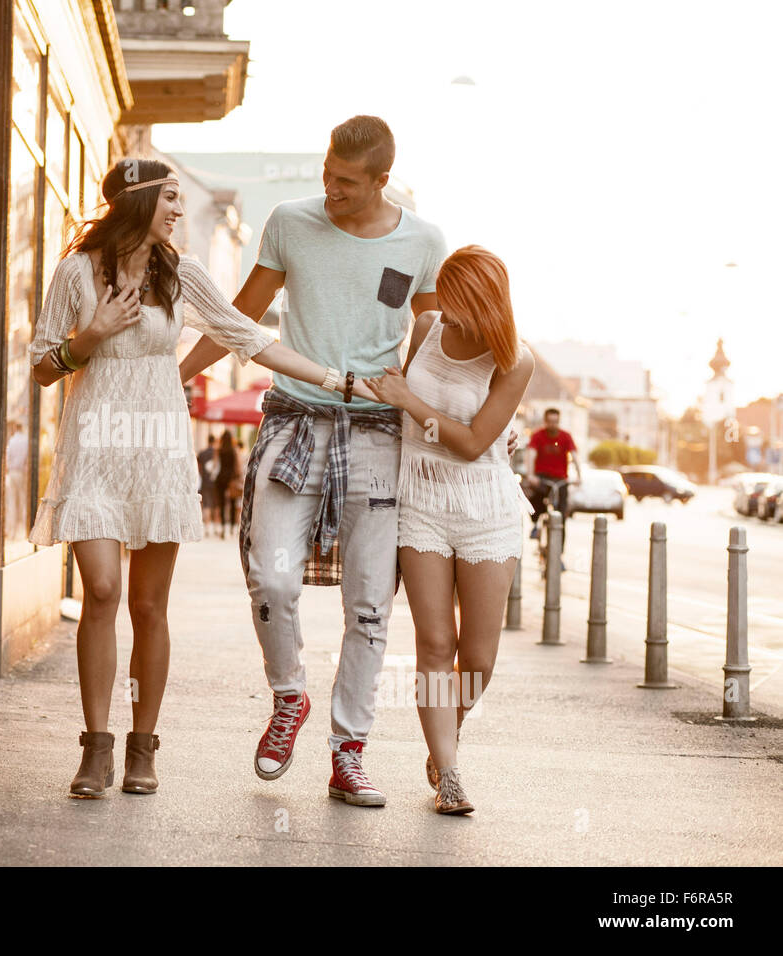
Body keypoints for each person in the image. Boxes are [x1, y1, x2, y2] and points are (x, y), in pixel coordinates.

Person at [178, 116, 518, 807]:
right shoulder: (290, 222)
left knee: (369, 608)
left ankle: (348, 753)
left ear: (381, 180)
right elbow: (243, 313)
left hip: (378, 436)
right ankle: (288, 697)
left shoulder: (422, 241)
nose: (329, 188)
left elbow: (445, 338)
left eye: (346, 182)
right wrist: (176, 377)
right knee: (271, 578)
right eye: (327, 173)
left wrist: (485, 415)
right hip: (294, 421)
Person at [28, 157, 379, 799]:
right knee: (102, 591)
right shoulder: (76, 272)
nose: (178, 211)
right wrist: (91, 335)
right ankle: (95, 748)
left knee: (148, 605)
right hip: (96, 452)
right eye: (169, 199)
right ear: (135, 201)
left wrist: (334, 379)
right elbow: (41, 366)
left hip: (159, 453)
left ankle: (142, 748)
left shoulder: (182, 275)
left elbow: (249, 337)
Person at [364, 245, 534, 814]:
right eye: (447, 298)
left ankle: (445, 740)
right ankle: (450, 772)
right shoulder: (429, 326)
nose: (449, 311)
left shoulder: (516, 361)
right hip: (421, 501)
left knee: (478, 658)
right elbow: (399, 408)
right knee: (435, 644)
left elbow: (470, 443)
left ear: (488, 301)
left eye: (462, 301)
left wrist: (407, 399)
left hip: (485, 505)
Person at [525, 407, 581, 541]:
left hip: (560, 479)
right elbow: (531, 455)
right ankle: (535, 525)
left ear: (559, 421)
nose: (553, 425)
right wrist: (530, 475)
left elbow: (574, 456)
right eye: (550, 421)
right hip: (542, 477)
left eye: (555, 422)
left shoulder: (566, 437)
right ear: (545, 421)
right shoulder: (537, 435)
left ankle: (558, 553)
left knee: (561, 516)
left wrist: (579, 476)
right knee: (536, 501)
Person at [215, 430, 239, 536]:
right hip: (231, 479)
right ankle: (233, 528)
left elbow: (216, 464)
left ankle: (223, 527)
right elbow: (236, 465)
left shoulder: (219, 450)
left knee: (222, 503)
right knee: (233, 503)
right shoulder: (233, 451)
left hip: (220, 478)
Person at [196, 434, 219, 532]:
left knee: (206, 504)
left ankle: (207, 527)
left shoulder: (202, 453)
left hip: (205, 481)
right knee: (215, 504)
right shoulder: (217, 453)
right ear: (214, 442)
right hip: (215, 482)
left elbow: (198, 467)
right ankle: (216, 528)